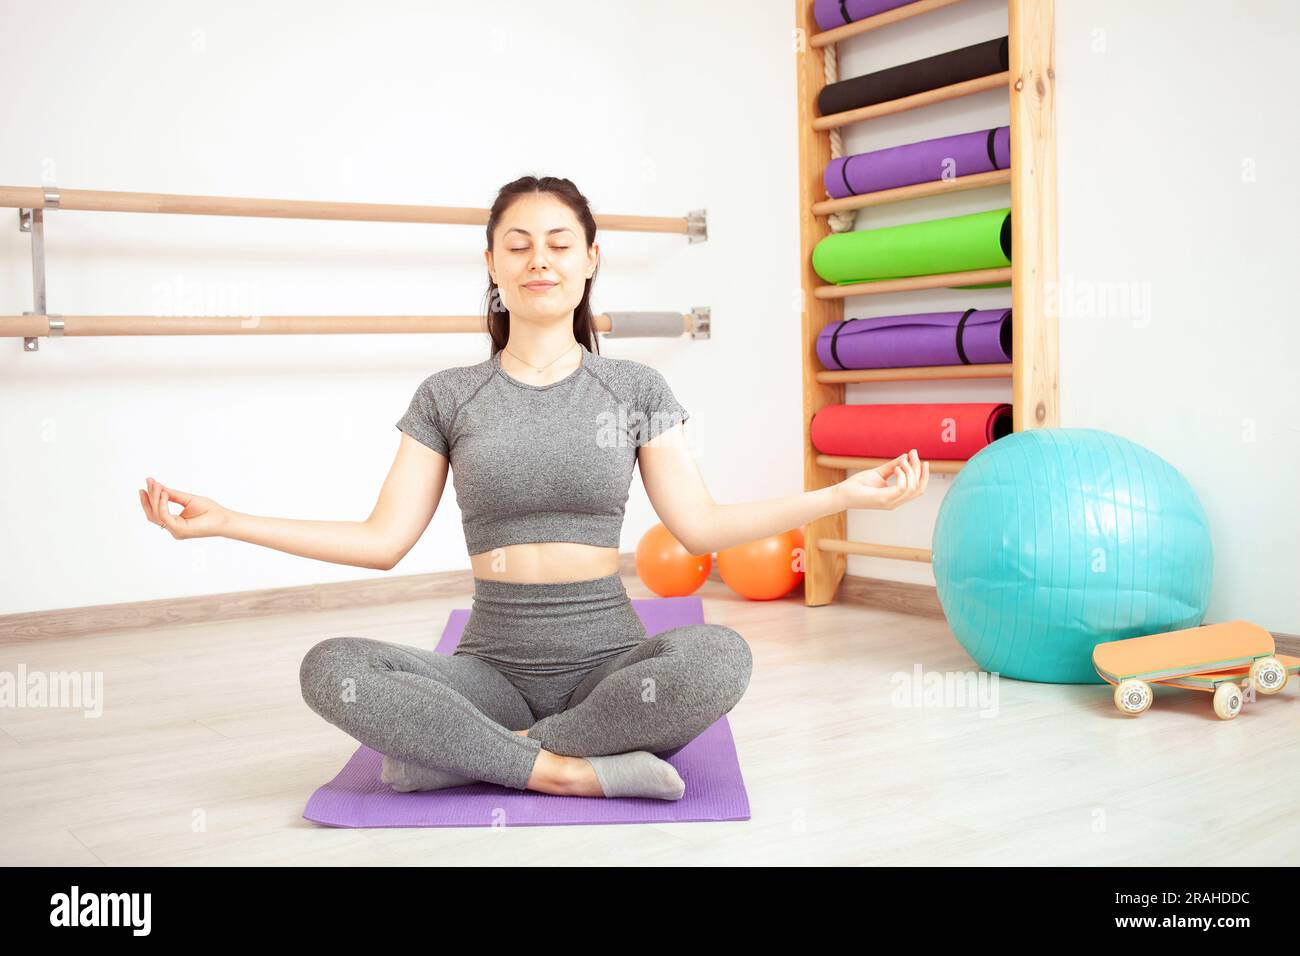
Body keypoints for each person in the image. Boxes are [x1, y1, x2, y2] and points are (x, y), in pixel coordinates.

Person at [137, 175, 929, 801]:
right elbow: (382, 542)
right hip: (489, 672)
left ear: (590, 258)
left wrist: (842, 498)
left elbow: (701, 526)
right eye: (517, 246)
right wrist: (229, 521)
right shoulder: (449, 395)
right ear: (492, 265)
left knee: (720, 657)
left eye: (558, 243)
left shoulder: (634, 388)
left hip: (611, 662)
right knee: (330, 664)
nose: (539, 260)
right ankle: (571, 769)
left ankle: (473, 761)